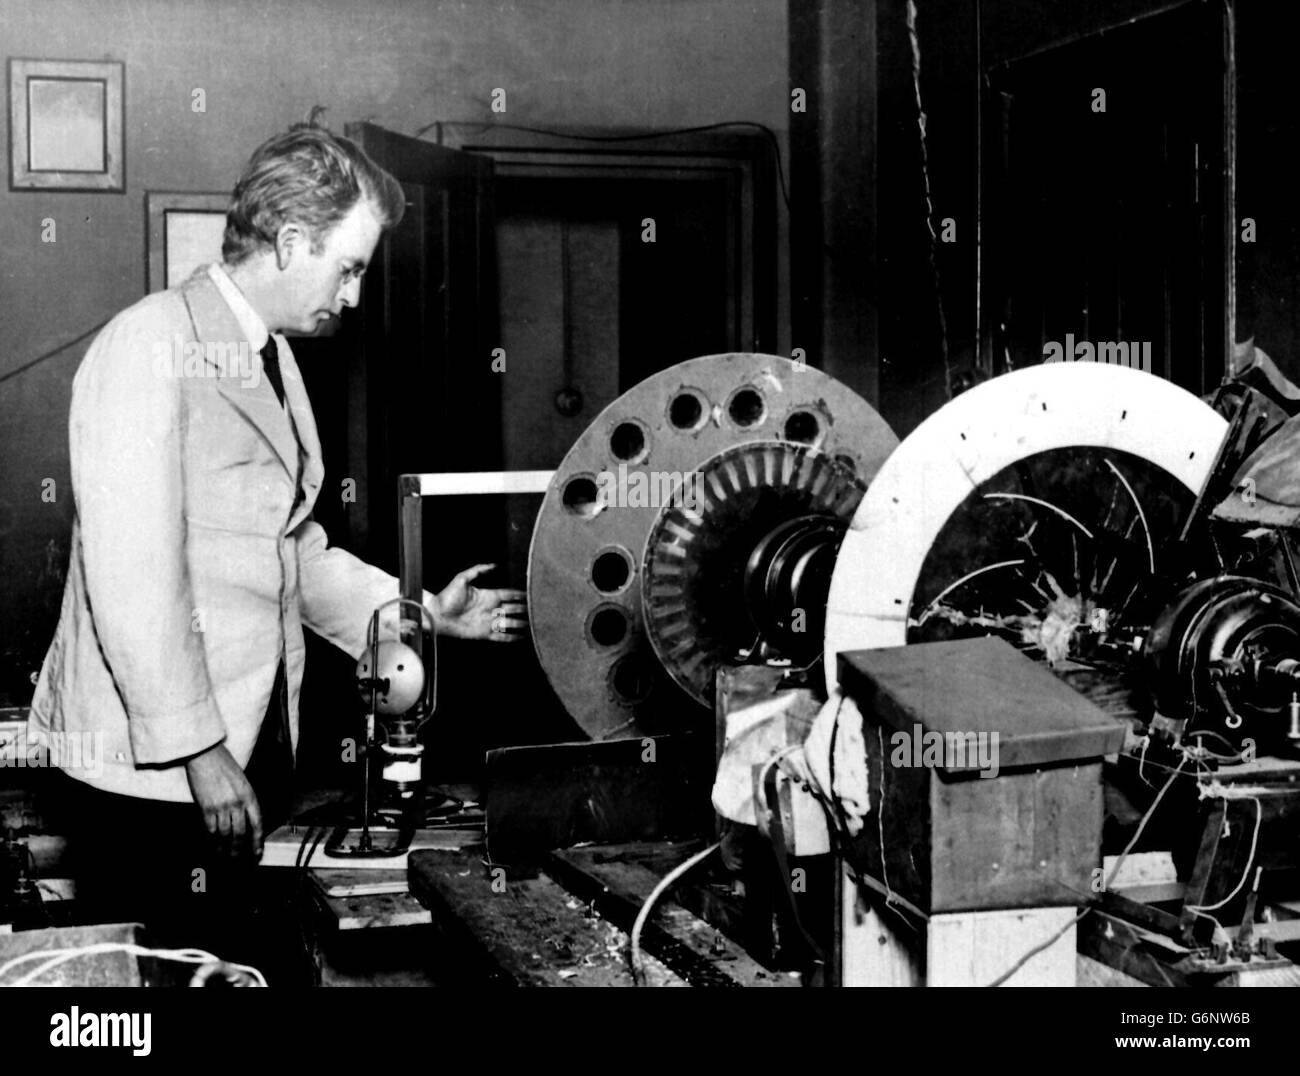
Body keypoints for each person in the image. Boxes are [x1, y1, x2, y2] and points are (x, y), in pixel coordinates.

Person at [28, 123, 527, 976]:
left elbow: (291, 549)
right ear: (293, 242)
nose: (356, 294)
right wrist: (200, 751)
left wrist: (418, 615)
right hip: (154, 774)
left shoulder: (275, 361)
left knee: (242, 968)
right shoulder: (153, 343)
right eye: (351, 266)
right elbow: (130, 573)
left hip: (236, 744)